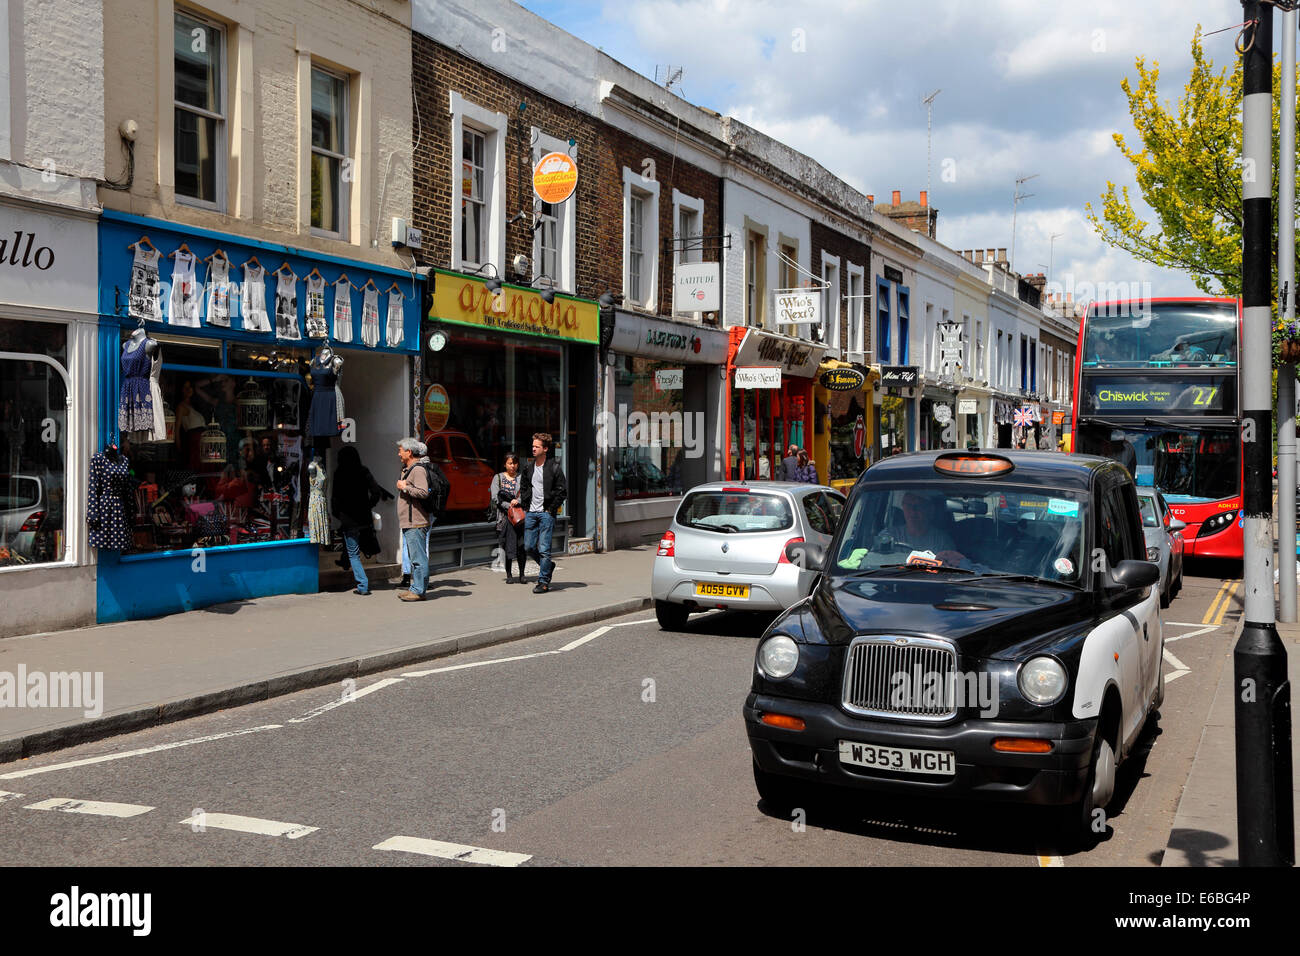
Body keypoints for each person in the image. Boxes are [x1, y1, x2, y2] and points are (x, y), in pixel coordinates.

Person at [332, 446, 391, 596]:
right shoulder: (363, 471)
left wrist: (337, 513)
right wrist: (368, 505)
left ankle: (363, 585)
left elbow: (335, 497)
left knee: (353, 553)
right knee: (353, 546)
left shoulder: (339, 473)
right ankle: (345, 562)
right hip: (363, 518)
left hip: (348, 519)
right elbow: (376, 492)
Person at [519, 432, 566, 594]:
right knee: (529, 547)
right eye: (532, 446)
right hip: (531, 512)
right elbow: (524, 487)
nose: (533, 449)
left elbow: (562, 491)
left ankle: (543, 581)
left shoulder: (554, 468)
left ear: (545, 449)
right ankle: (549, 566)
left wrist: (551, 509)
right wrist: (526, 506)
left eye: (536, 446)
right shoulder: (528, 468)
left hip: (546, 513)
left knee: (545, 549)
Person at [395, 437, 432, 601]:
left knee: (418, 559)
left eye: (400, 450)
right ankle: (415, 588)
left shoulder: (417, 470)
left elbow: (423, 492)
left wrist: (406, 487)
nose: (399, 454)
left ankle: (418, 591)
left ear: (409, 452)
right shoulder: (408, 469)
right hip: (409, 521)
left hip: (416, 521)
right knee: (414, 558)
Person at [897, 490, 966, 565]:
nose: (913, 512)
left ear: (929, 510)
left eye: (918, 506)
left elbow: (949, 569)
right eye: (908, 506)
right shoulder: (890, 536)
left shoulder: (942, 540)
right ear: (903, 507)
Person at [490, 452, 526, 582]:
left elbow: (527, 494)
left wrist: (519, 501)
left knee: (521, 546)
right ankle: (509, 574)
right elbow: (494, 498)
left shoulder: (522, 478)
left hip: (519, 518)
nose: (513, 466)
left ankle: (522, 574)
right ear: (505, 464)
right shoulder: (498, 478)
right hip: (504, 518)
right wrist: (507, 505)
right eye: (510, 463)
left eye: (515, 463)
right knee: (506, 545)